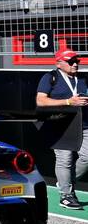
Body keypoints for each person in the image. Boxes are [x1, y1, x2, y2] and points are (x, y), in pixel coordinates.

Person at [36, 49, 88, 210]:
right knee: (64, 159)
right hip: (60, 126)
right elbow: (41, 101)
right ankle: (66, 196)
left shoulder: (83, 79)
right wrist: (68, 102)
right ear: (59, 63)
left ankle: (65, 182)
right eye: (70, 61)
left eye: (76, 61)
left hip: (83, 124)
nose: (75, 64)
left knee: (86, 158)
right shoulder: (50, 77)